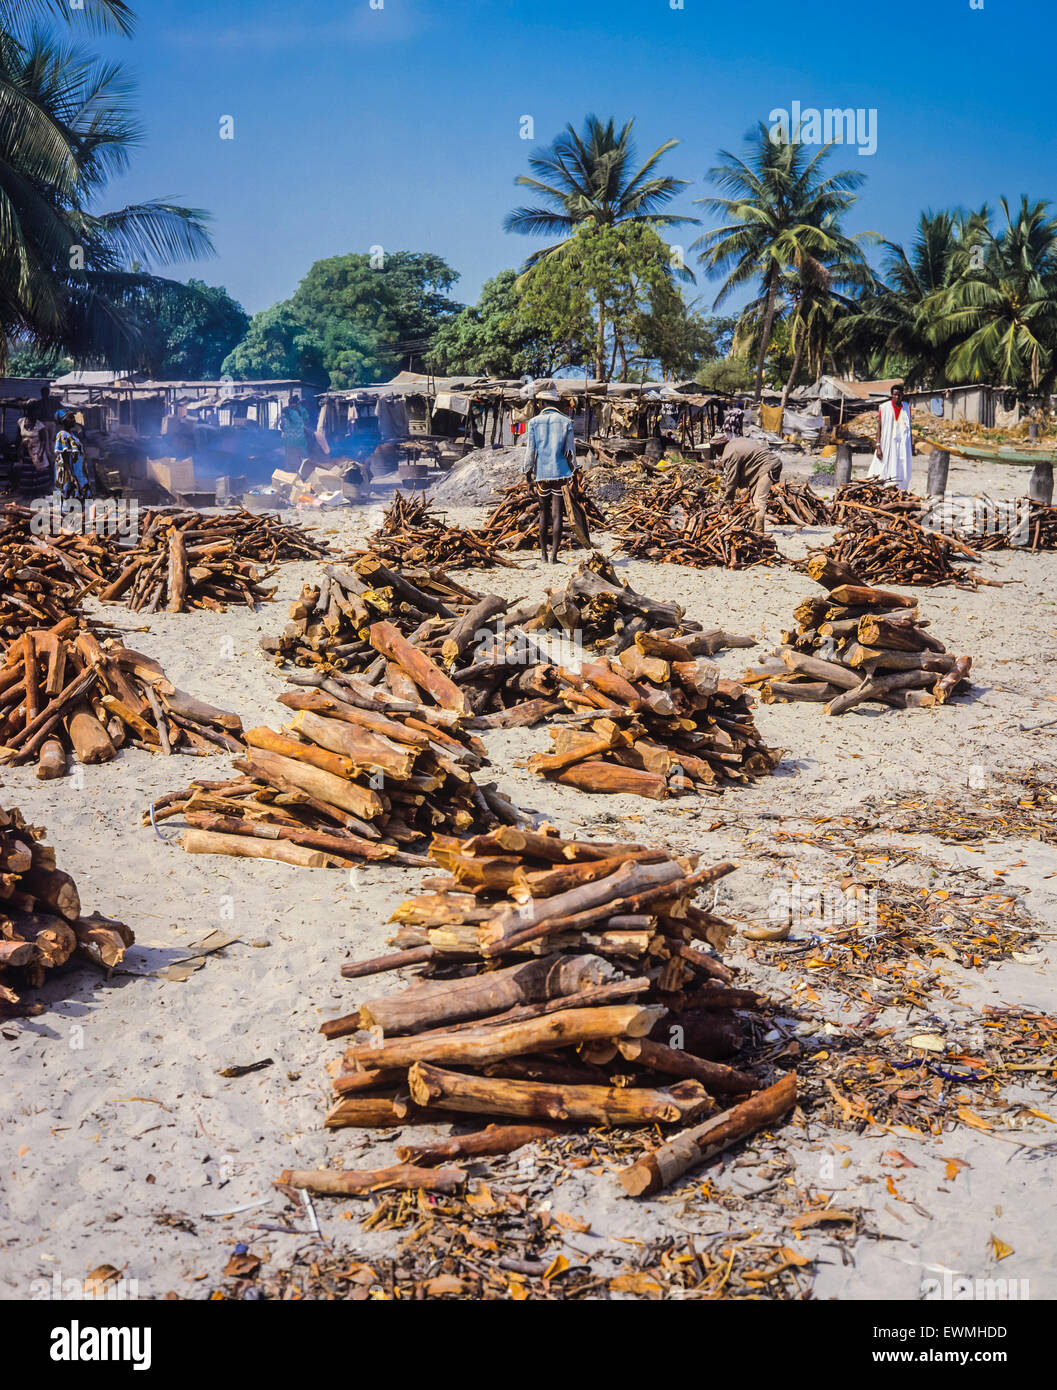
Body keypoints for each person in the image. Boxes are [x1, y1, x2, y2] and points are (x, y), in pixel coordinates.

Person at [522, 390, 576, 563]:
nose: (538, 405)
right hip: (560, 473)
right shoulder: (566, 422)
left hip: (542, 474)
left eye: (539, 403)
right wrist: (574, 471)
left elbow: (531, 452)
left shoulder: (534, 423)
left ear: (543, 403)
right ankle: (554, 557)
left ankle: (543, 555)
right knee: (557, 514)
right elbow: (570, 452)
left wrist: (527, 474)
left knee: (543, 513)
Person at [718, 433, 782, 533]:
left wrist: (728, 500)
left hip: (768, 466)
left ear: (717, 448)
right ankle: (753, 528)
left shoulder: (729, 453)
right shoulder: (735, 441)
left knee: (758, 501)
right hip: (765, 466)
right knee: (753, 499)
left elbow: (732, 479)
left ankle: (759, 532)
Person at [870, 383, 913, 489]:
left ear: (902, 395)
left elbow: (908, 428)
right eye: (895, 395)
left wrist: (911, 444)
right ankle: (883, 487)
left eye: (899, 395)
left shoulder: (906, 407)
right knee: (883, 466)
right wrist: (878, 445)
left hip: (902, 444)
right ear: (891, 395)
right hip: (887, 443)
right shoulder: (884, 407)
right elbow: (879, 427)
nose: (897, 397)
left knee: (902, 467)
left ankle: (900, 488)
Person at [53, 409, 89, 498]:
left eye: (73, 417)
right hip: (68, 470)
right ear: (63, 421)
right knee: (68, 494)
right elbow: (64, 455)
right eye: (71, 418)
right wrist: (70, 474)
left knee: (81, 493)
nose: (74, 419)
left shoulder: (72, 434)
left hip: (77, 470)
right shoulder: (62, 435)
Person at [17, 402, 50, 491]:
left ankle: (38, 494)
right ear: (29, 412)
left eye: (38, 413)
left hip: (37, 451)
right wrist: (19, 449)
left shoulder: (40, 425)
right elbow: (18, 437)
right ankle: (27, 494)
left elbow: (43, 441)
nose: (37, 415)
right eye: (35, 412)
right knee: (27, 475)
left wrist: (40, 454)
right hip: (26, 452)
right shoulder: (21, 422)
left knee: (38, 475)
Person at [281, 394, 311, 469]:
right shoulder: (300, 410)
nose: (293, 405)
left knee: (293, 454)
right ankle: (295, 469)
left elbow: (282, 425)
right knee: (295, 454)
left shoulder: (286, 410)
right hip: (295, 438)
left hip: (292, 438)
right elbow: (307, 421)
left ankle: (293, 468)